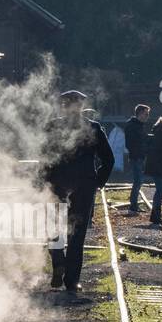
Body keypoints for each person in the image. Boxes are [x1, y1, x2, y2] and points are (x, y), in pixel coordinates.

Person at [40, 90, 115, 301]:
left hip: (57, 185)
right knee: (77, 234)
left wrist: (44, 182)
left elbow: (43, 158)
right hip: (83, 186)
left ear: (62, 106)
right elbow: (108, 160)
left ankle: (57, 261)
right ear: (82, 106)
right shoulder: (93, 127)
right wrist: (97, 182)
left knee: (54, 229)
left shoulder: (52, 126)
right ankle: (72, 281)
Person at [123, 104, 151, 214]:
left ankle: (134, 205)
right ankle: (133, 206)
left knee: (138, 181)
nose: (147, 116)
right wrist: (139, 152)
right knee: (138, 181)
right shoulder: (132, 126)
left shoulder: (138, 125)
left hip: (139, 156)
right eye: (146, 114)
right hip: (136, 157)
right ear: (139, 113)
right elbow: (130, 143)